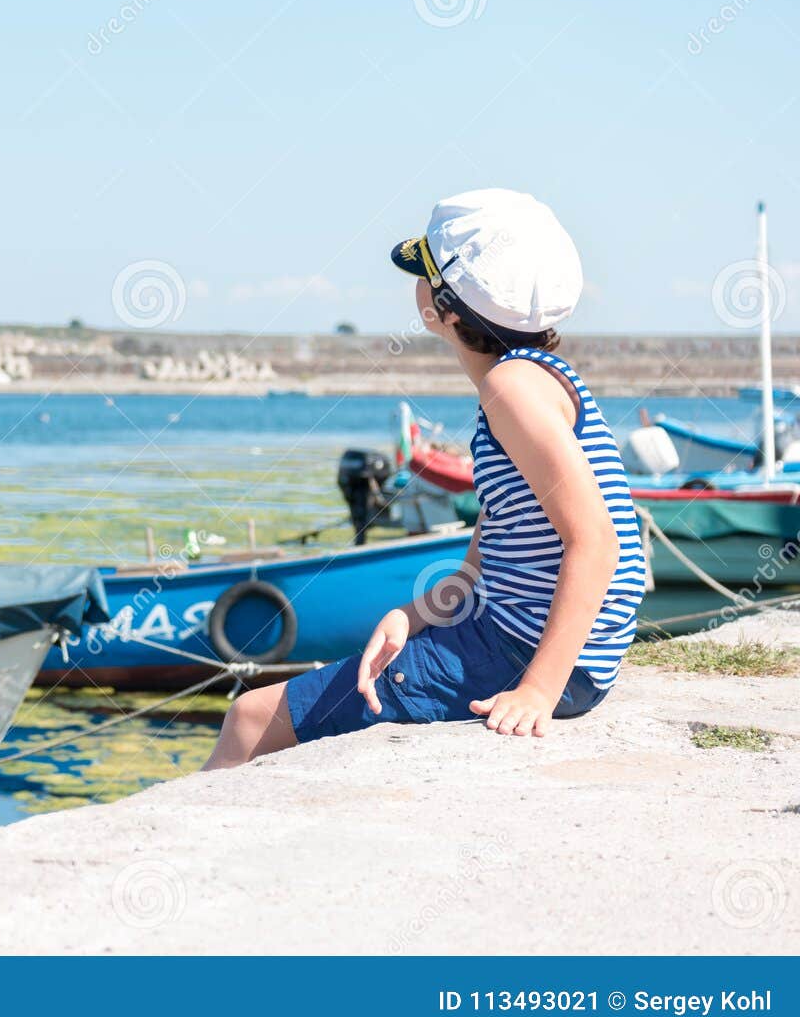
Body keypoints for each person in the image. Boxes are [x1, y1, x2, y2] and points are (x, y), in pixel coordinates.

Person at [204, 189, 645, 769]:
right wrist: (410, 618)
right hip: (552, 651)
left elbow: (598, 539)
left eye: (422, 271)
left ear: (447, 308)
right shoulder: (540, 379)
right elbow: (490, 557)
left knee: (250, 717)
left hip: (525, 654)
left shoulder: (510, 389)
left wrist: (538, 689)